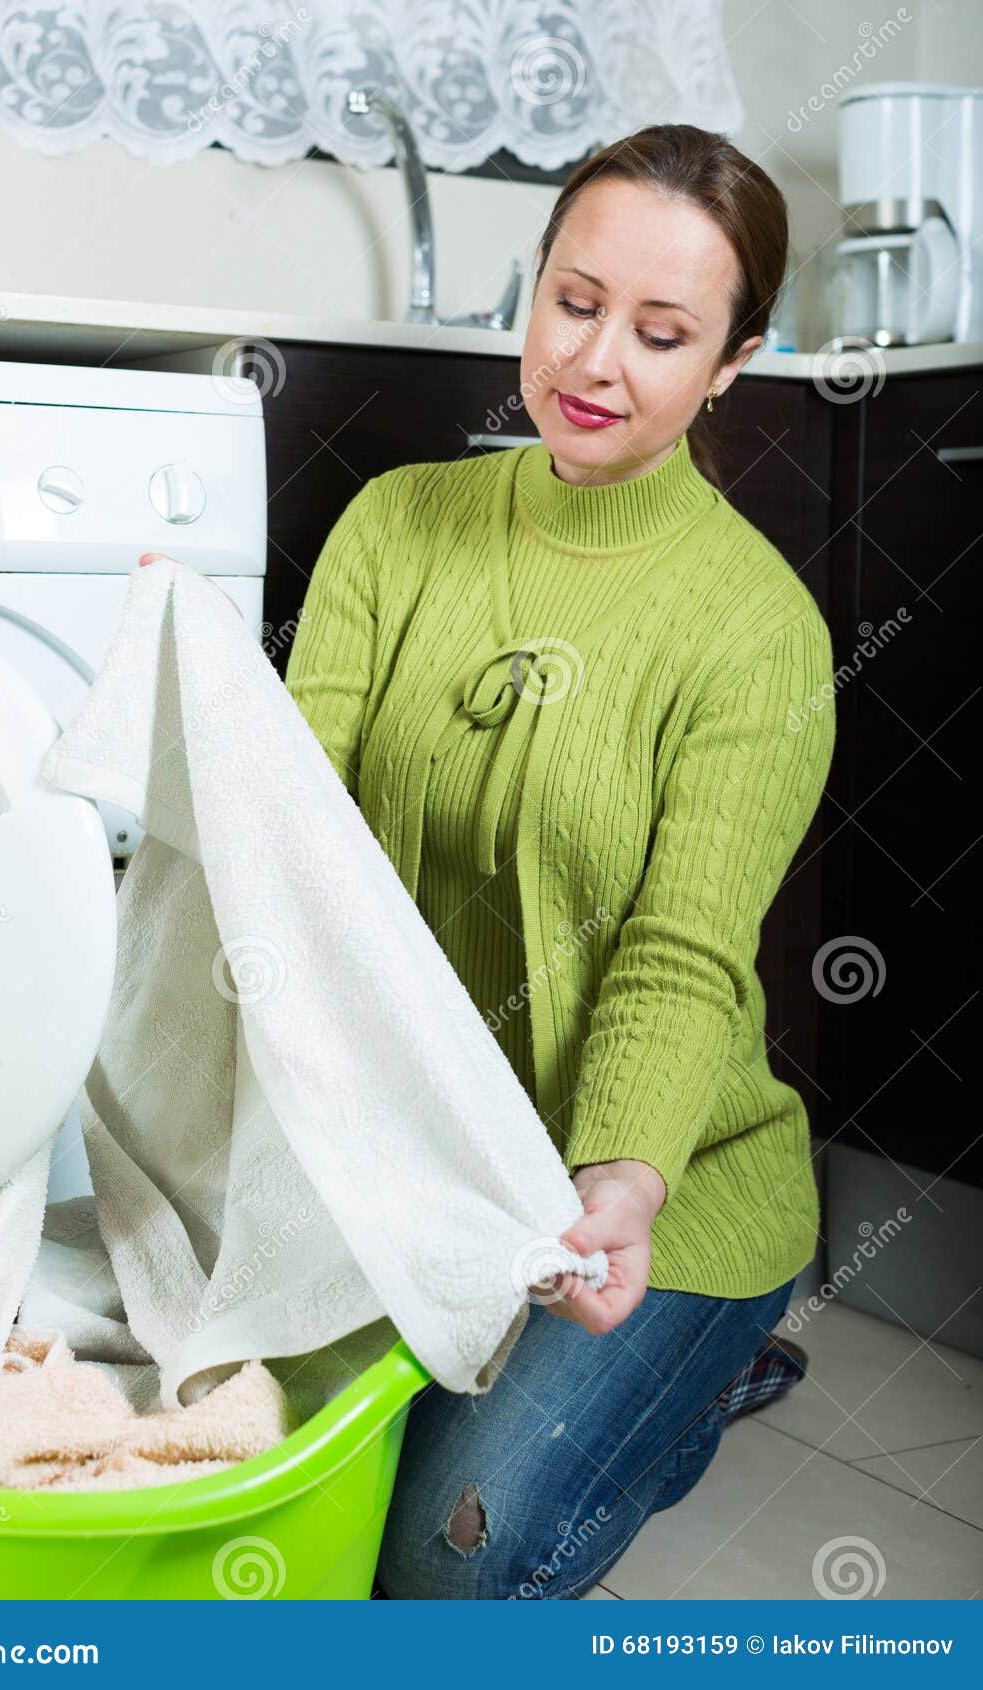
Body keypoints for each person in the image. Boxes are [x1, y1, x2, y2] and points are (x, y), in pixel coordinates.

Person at [280, 123, 834, 1600]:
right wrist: (179, 690)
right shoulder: (399, 525)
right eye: (574, 303)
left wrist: (624, 1181)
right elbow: (287, 823)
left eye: (661, 334)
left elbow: (679, 947)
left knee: (437, 1580)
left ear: (732, 361)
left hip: (664, 1190)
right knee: (277, 1505)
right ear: (532, 294)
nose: (597, 362)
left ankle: (692, 1371)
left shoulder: (756, 630)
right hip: (417, 1147)